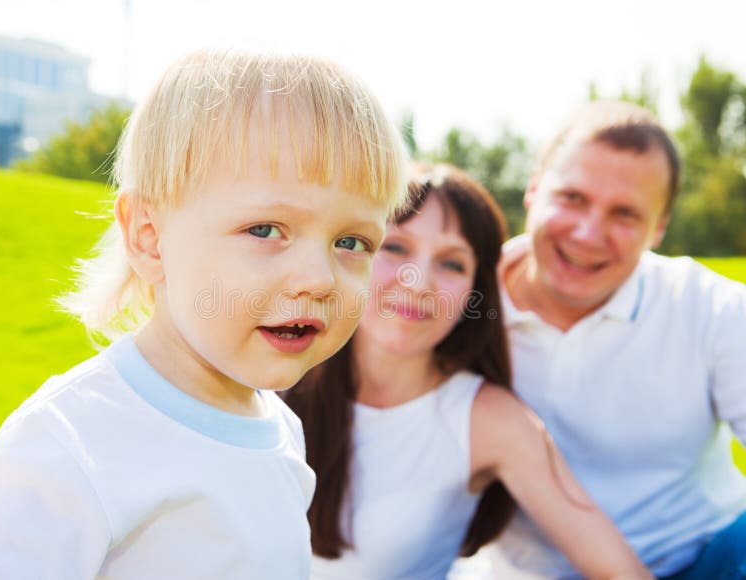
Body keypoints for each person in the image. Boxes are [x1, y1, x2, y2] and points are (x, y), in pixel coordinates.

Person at [0, 49, 409, 579]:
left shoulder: (279, 427)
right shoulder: (76, 442)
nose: (320, 278)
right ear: (150, 237)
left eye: (352, 241)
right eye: (264, 230)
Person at [284, 163, 651, 580]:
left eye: (452, 264)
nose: (419, 283)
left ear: (475, 294)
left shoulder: (491, 421)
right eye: (397, 248)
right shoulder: (272, 379)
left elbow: (623, 572)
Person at [486, 101, 746, 579]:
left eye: (624, 213)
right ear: (534, 189)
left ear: (659, 228)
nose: (588, 234)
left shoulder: (711, 308)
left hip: (706, 558)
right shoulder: (457, 309)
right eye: (572, 198)